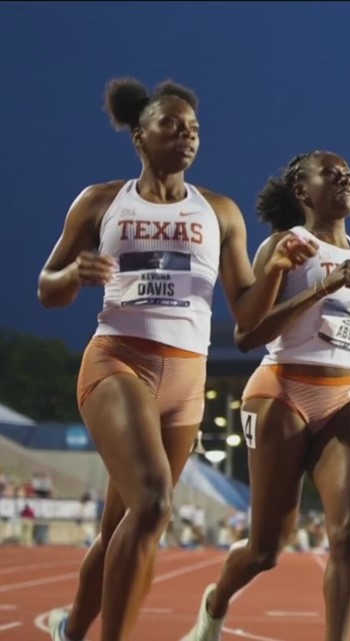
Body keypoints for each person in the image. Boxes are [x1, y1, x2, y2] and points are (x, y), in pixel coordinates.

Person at [40, 77, 314, 641]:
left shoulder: (220, 212)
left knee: (123, 523)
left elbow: (246, 318)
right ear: (140, 135)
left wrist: (279, 270)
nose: (187, 135)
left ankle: (73, 631)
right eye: (172, 124)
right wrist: (73, 274)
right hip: (119, 361)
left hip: (187, 379)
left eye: (194, 128)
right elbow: (47, 287)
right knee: (153, 504)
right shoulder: (100, 202)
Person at [186, 150, 350, 641]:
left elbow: (339, 331)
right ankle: (215, 603)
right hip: (282, 393)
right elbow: (249, 335)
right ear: (302, 191)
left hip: (347, 397)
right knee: (266, 550)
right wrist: (322, 286)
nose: (345, 182)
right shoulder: (283, 245)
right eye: (332, 176)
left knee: (348, 535)